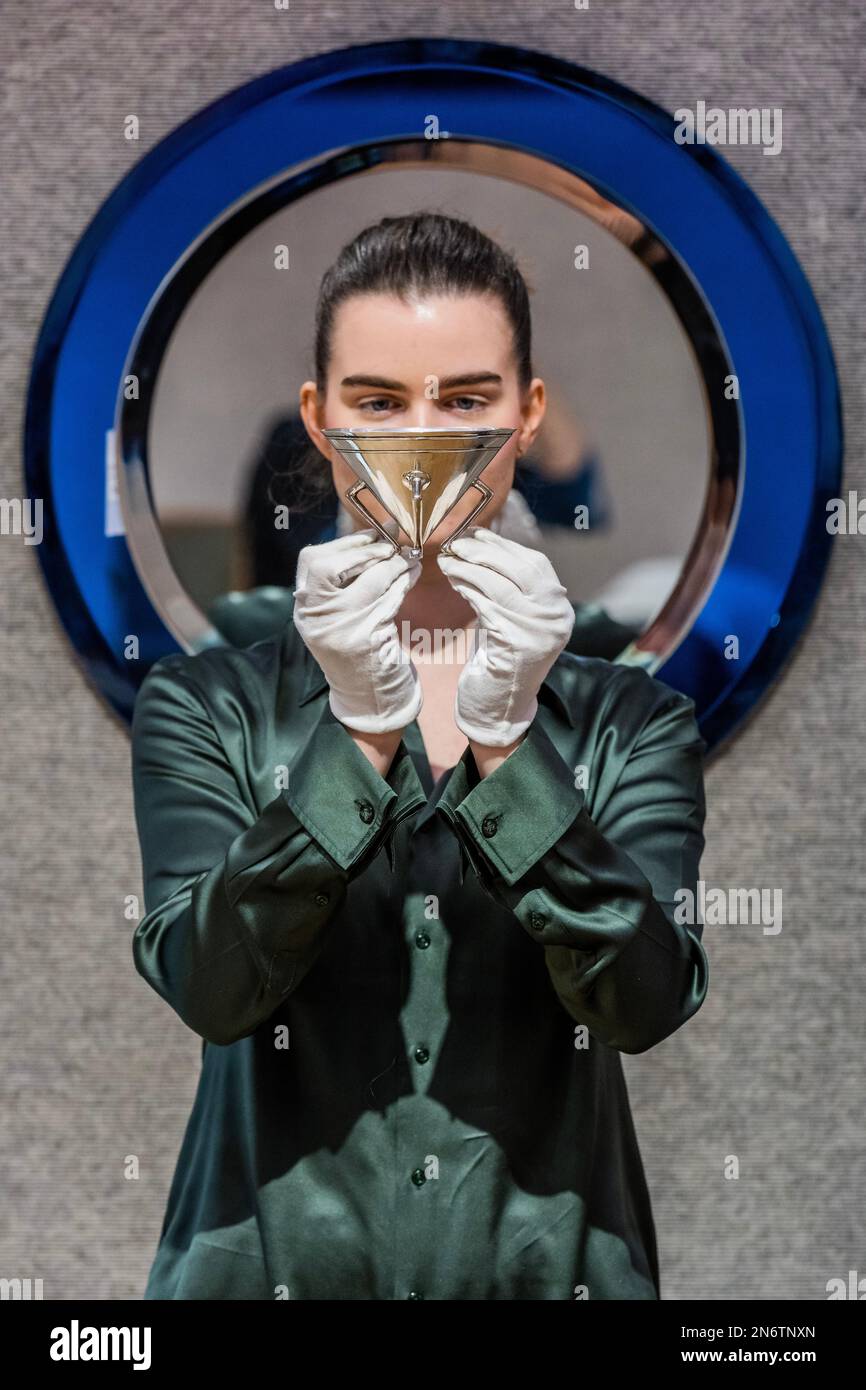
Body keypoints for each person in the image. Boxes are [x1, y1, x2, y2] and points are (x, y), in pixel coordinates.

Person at [131, 211, 709, 1300]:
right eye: (380, 403)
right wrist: (356, 734)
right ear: (319, 417)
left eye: (467, 400)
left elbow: (643, 1002)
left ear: (528, 413)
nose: (424, 442)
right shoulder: (208, 705)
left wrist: (508, 742)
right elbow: (208, 986)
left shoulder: (630, 721)